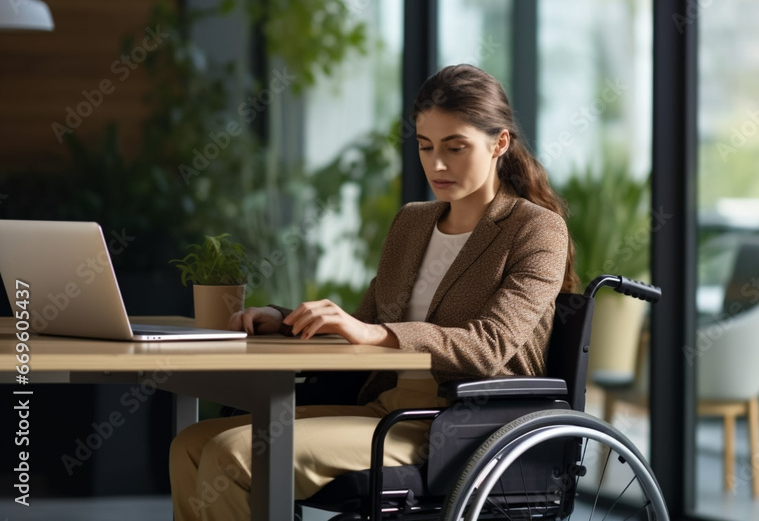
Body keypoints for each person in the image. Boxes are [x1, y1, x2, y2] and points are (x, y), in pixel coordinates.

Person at [168, 63, 578, 520]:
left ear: (499, 143)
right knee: (191, 444)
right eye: (425, 146)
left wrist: (373, 333)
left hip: (457, 425)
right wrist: (285, 321)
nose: (436, 164)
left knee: (232, 454)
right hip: (385, 407)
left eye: (455, 147)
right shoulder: (412, 222)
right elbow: (364, 325)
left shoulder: (536, 229)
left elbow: (489, 346)